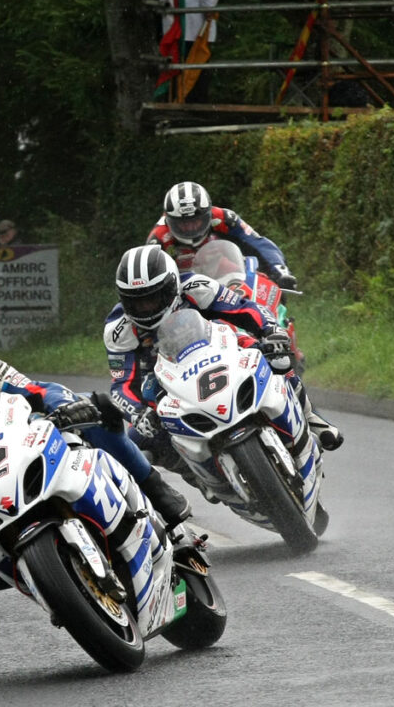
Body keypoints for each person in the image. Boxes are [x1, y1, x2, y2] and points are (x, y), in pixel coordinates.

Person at [0, 319, 192, 605]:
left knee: (99, 413)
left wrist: (65, 405)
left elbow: (37, 391)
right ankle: (45, 579)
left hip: (26, 450)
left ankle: (160, 496)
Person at [102, 246, 342, 483]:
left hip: (216, 345)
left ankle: (311, 419)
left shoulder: (197, 286)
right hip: (163, 375)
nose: (147, 307)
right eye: (138, 301)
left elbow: (244, 308)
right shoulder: (118, 329)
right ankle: (197, 474)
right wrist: (138, 413)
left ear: (172, 285)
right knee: (137, 441)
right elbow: (121, 385)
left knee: (271, 353)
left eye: (154, 297)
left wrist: (271, 331)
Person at [148, 181, 298, 288]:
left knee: (268, 286)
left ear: (208, 214)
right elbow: (148, 274)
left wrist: (279, 269)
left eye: (196, 221)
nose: (191, 229)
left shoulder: (223, 218)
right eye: (184, 224)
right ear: (170, 220)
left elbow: (258, 242)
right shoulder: (158, 239)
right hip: (183, 287)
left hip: (226, 276)